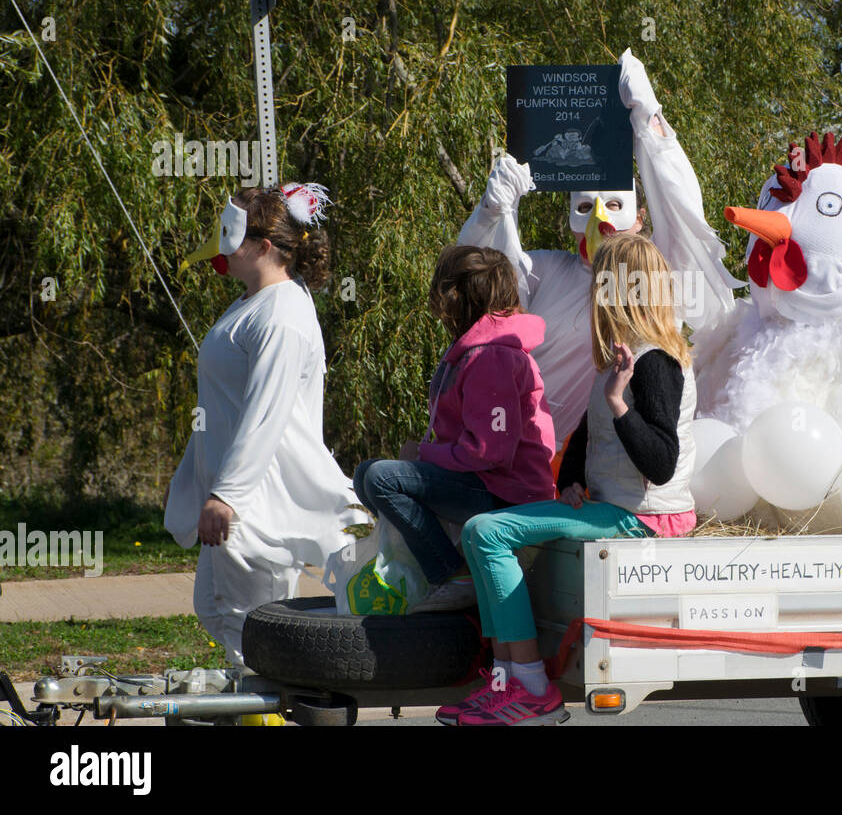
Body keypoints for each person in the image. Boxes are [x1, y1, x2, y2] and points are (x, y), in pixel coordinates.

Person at [440, 235, 698, 726]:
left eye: (601, 282)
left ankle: (532, 685)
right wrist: (572, 481)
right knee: (483, 532)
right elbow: (586, 433)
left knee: (486, 532)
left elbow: (661, 462)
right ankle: (504, 680)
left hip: (645, 517)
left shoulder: (656, 362)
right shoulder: (625, 356)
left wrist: (620, 401)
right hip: (614, 505)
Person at [457, 49, 740, 450]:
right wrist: (489, 214)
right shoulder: (545, 270)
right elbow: (475, 280)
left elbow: (682, 209)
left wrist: (650, 120)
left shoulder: (660, 273)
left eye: (614, 207)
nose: (599, 221)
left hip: (625, 460)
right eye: (585, 208)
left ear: (640, 217)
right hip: (530, 453)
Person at [166, 183, 365, 670]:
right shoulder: (253, 304)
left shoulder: (281, 315)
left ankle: (262, 715)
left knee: (255, 634)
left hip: (256, 508)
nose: (221, 246)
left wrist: (228, 495)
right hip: (236, 500)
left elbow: (265, 412)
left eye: (232, 234)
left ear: (265, 246)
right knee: (224, 617)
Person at [351, 245, 557, 612]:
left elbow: (489, 452)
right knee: (367, 474)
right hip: (488, 483)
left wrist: (424, 454)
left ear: (455, 296)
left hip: (507, 494)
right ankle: (453, 560)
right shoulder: (479, 350)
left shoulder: (491, 355)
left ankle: (454, 575)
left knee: (382, 477)